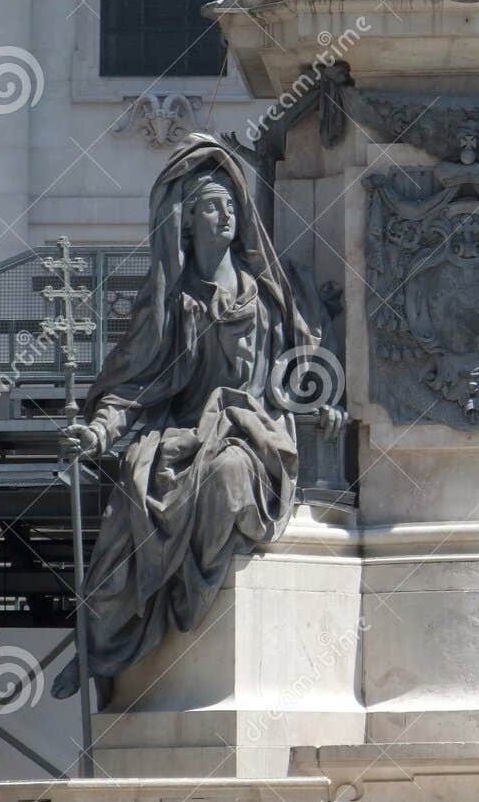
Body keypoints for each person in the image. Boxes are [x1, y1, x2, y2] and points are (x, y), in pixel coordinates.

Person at [51, 138, 305, 699]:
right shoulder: (173, 300)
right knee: (135, 499)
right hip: (184, 432)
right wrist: (97, 431)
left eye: (232, 206)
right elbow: (135, 384)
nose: (227, 215)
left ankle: (189, 595)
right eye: (212, 206)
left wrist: (318, 407)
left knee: (227, 478)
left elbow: (298, 373)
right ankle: (102, 642)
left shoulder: (265, 295)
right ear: (186, 222)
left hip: (251, 432)